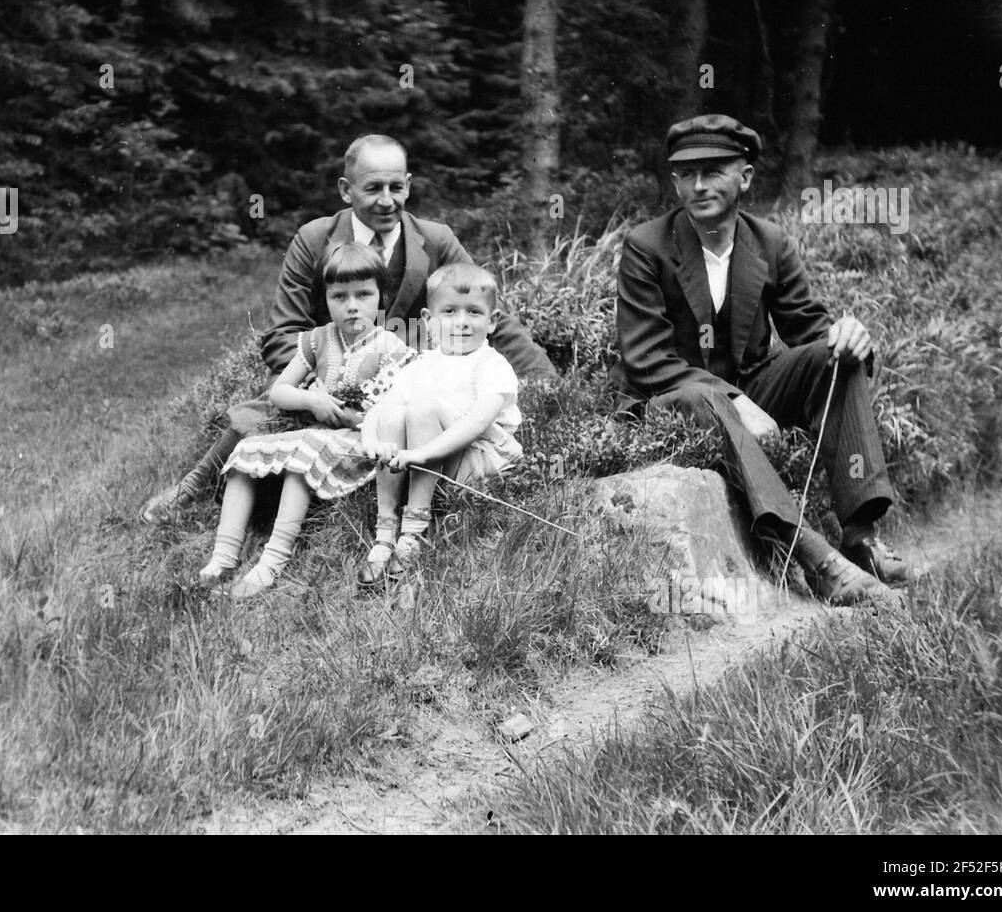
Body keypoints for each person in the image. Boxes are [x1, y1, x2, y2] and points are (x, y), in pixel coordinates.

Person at [139, 133, 554, 525]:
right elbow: (284, 333)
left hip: (402, 376)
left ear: (408, 185)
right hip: (330, 373)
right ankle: (193, 486)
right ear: (345, 189)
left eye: (397, 188)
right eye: (373, 189)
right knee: (263, 411)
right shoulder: (314, 239)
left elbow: (481, 307)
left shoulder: (435, 239)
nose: (387, 201)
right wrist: (318, 384)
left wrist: (545, 379)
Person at [612, 114, 906, 606]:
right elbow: (645, 359)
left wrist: (847, 337)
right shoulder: (647, 246)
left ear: (744, 177)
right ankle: (815, 556)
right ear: (675, 181)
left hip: (750, 390)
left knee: (836, 359)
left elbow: (809, 332)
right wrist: (728, 397)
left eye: (714, 170)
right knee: (703, 399)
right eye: (687, 174)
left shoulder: (769, 242)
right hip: (669, 399)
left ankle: (861, 538)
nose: (699, 185)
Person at [200, 243, 417, 599]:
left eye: (363, 294)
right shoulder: (317, 340)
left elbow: (400, 407)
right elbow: (279, 392)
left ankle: (271, 562)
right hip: (316, 436)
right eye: (339, 296)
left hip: (361, 441)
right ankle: (223, 556)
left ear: (381, 296)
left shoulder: (388, 346)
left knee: (305, 453)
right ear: (324, 300)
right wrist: (311, 399)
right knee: (245, 449)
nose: (351, 306)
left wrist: (360, 416)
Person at [358, 263, 523, 585]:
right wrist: (370, 440)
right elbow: (381, 408)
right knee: (395, 411)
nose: (461, 323)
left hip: (476, 456)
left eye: (474, 312)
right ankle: (385, 529)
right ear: (428, 321)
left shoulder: (491, 364)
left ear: (492, 322)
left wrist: (424, 453)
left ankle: (414, 529)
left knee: (422, 407)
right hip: (426, 457)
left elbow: (477, 422)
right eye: (449, 312)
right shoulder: (423, 363)